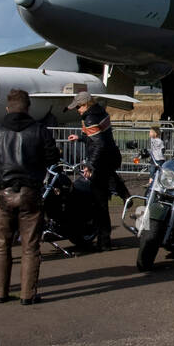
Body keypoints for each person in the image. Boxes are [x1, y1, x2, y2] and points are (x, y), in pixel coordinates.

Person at [0, 89, 59, 305]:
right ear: (28, 108)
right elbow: (52, 157)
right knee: (30, 246)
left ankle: (0, 292)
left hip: (3, 192)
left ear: (7, 107)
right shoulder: (39, 130)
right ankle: (27, 295)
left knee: (2, 244)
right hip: (30, 192)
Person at [66, 91, 121, 250]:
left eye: (78, 107)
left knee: (100, 203)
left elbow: (98, 145)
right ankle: (104, 239)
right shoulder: (100, 112)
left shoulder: (89, 118)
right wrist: (81, 138)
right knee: (101, 200)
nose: (78, 110)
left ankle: (104, 241)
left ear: (85, 105)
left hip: (101, 163)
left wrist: (90, 165)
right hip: (109, 160)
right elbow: (100, 139)